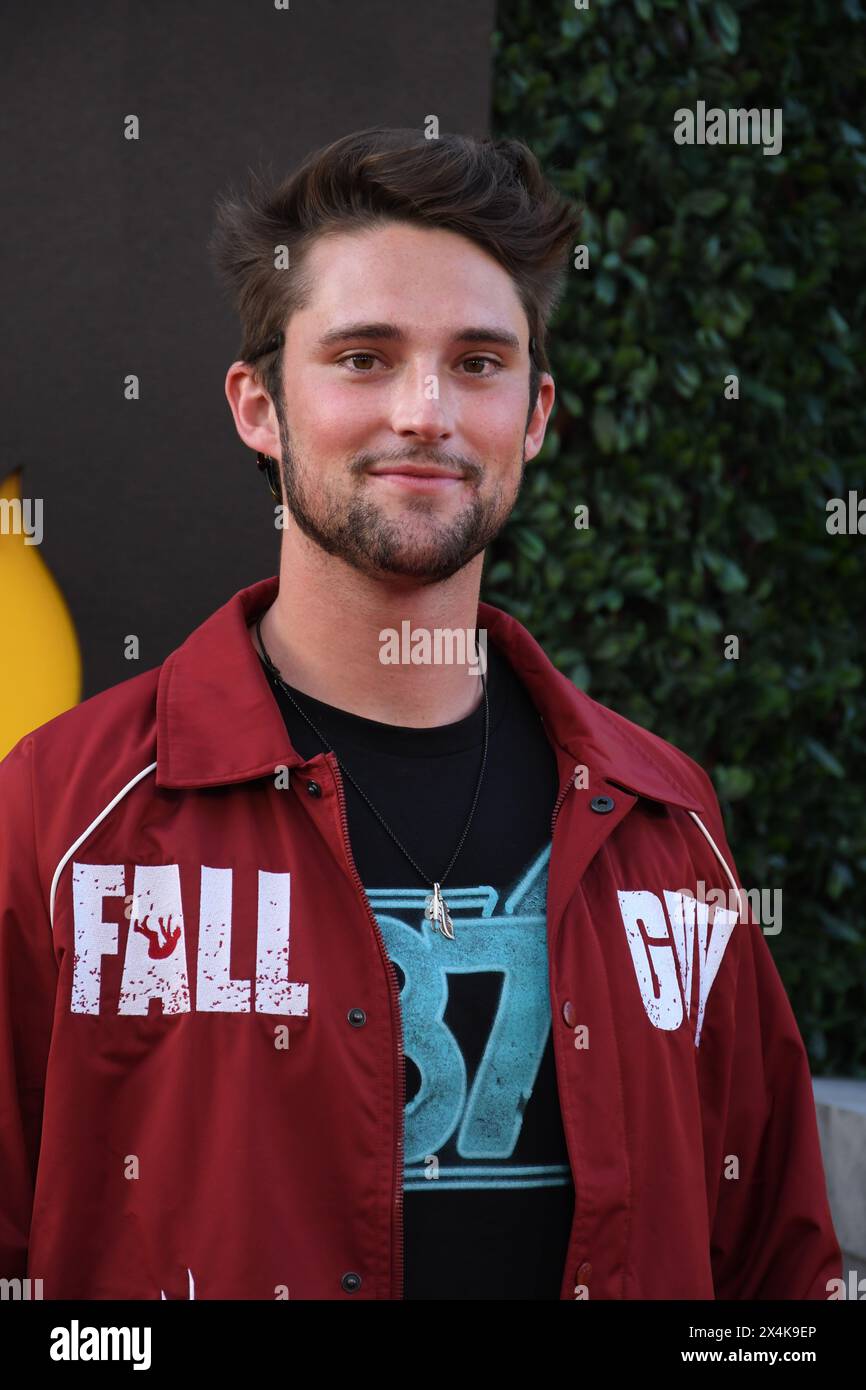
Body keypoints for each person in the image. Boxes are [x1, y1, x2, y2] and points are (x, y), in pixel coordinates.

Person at [0, 127, 841, 1300]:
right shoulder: (62, 813)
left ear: (535, 415)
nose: (425, 411)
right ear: (258, 405)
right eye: (362, 356)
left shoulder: (663, 820)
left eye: (479, 362)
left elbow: (772, 1271)